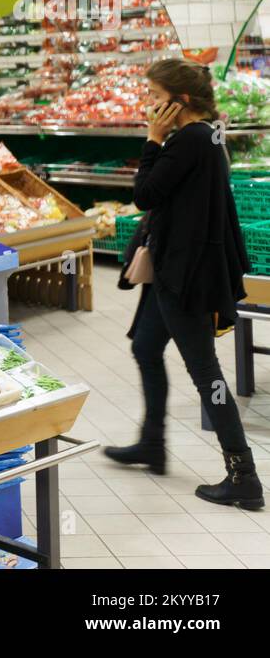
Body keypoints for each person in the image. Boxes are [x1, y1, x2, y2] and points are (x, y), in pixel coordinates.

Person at [105, 59, 262, 510]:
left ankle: (243, 474)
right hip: (179, 266)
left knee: (206, 373)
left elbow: (145, 195)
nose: (150, 105)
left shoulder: (186, 141)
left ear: (182, 101)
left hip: (184, 274)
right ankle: (151, 442)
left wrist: (152, 142)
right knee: (146, 348)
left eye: (155, 97)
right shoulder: (209, 134)